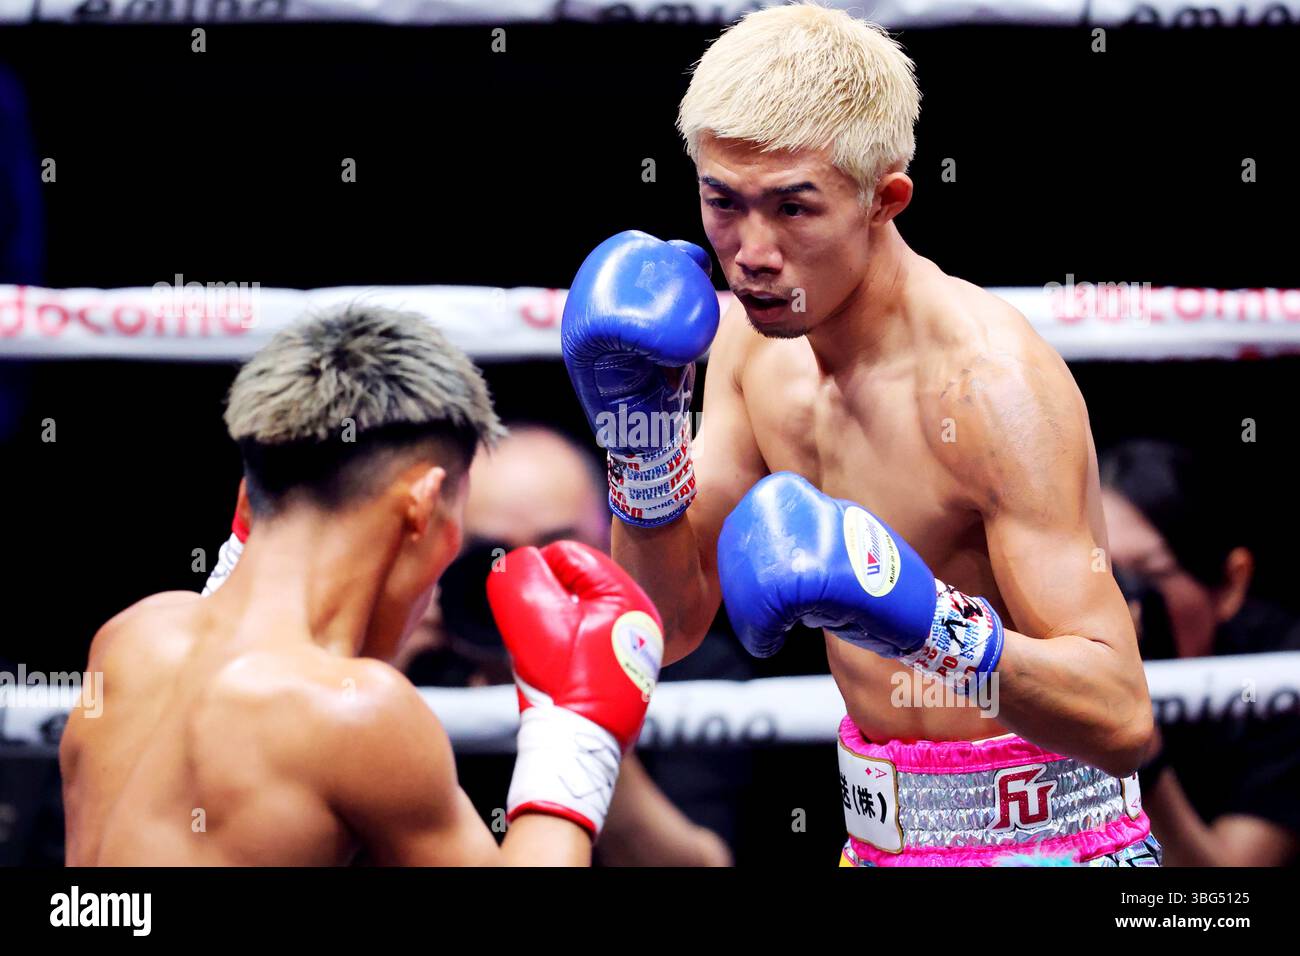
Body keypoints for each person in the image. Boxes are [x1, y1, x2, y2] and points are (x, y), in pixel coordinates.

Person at [560, 4, 1156, 866]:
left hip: (1057, 842)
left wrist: (922, 621)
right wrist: (642, 447)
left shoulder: (990, 387)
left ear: (886, 199)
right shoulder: (746, 352)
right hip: (874, 844)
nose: (751, 251)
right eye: (722, 202)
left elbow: (1121, 716)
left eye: (793, 209)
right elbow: (668, 621)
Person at [59, 305, 664, 865]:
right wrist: (573, 738)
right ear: (423, 508)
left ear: (249, 503)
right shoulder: (354, 711)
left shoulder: (132, 637)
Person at [400, 424, 736, 866]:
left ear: (607, 550)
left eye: (556, 554)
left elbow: (704, 865)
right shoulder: (415, 670)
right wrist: (390, 660)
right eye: (494, 558)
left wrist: (593, 714)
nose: (528, 583)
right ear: (450, 559)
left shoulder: (679, 660)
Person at [1102, 438, 1300, 866]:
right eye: (1104, 573)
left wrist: (1140, 761)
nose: (1123, 605)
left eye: (1147, 574)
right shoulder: (1052, 660)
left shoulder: (1280, 673)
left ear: (1231, 583)